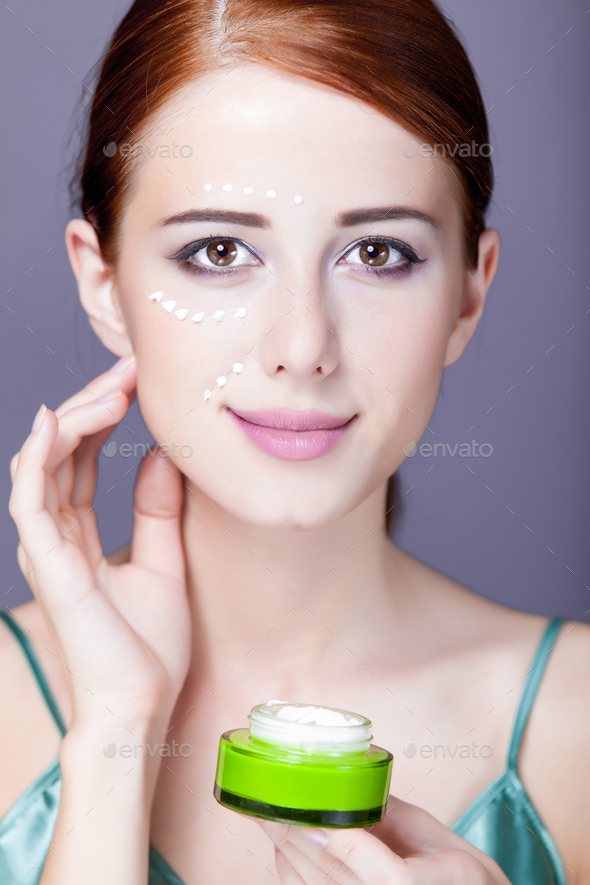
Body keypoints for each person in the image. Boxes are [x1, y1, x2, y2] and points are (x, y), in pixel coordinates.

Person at [2, 0, 589, 883]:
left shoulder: (575, 724)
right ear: (105, 284)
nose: (303, 348)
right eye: (219, 251)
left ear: (469, 295)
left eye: (380, 253)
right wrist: (115, 737)